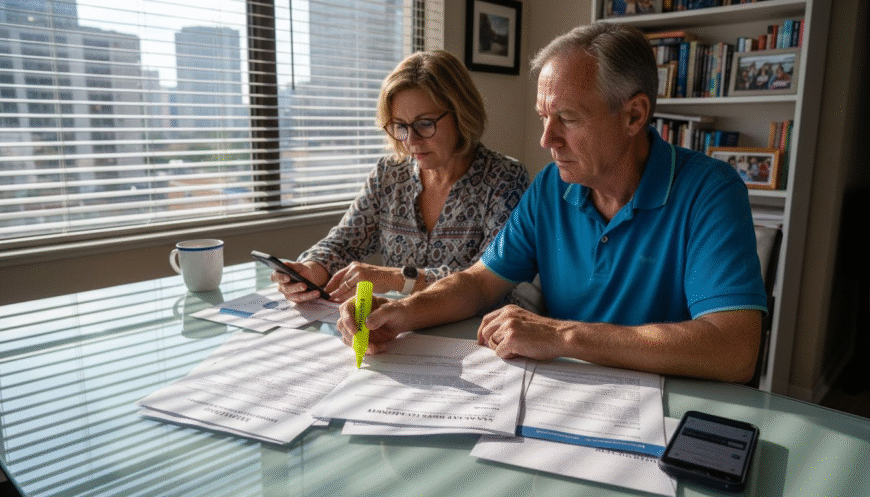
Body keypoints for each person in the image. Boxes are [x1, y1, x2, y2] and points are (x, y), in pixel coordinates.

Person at [336, 23, 767, 383]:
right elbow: (478, 282)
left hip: (662, 402)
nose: (546, 140)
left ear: (634, 115)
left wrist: (563, 336)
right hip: (561, 391)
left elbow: (735, 349)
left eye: (568, 118)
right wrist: (402, 311)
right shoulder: (550, 187)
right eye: (544, 117)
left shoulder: (710, 190)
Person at [272, 50, 529, 303]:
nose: (411, 141)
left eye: (425, 123)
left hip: (480, 331)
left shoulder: (504, 179)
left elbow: (488, 280)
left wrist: (397, 279)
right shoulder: (389, 175)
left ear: (462, 113)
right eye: (400, 126)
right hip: (402, 328)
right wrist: (310, 270)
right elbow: (343, 243)